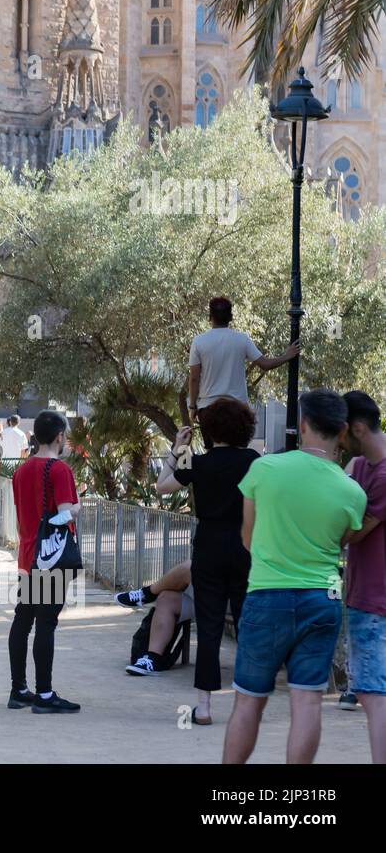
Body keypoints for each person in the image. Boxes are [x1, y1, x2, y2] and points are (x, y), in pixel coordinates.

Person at [223, 390, 367, 764]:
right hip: (322, 599)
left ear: (302, 425)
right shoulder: (352, 492)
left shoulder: (264, 469)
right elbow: (342, 541)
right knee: (307, 702)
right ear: (341, 431)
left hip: (267, 596)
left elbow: (247, 537)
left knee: (248, 702)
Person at [150, 399, 259, 722]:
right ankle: (247, 705)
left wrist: (177, 449)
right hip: (246, 547)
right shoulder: (255, 461)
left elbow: (162, 487)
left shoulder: (198, 462)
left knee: (209, 629)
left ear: (210, 430)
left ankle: (205, 707)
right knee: (247, 628)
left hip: (208, 548)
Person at [6, 409, 82, 713]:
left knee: (23, 620)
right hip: (50, 556)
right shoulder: (60, 470)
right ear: (60, 436)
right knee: (46, 623)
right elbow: (63, 513)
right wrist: (76, 508)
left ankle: (18, 689)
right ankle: (45, 694)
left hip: (27, 552)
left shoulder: (22, 470)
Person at [341, 390, 386, 762]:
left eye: (340, 431)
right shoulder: (358, 466)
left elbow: (352, 533)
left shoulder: (383, 473)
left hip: (375, 602)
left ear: (356, 428)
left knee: (373, 696)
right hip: (363, 597)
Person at [188, 296, 299, 427]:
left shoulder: (199, 342)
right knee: (236, 447)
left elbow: (194, 378)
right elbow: (265, 364)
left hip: (207, 408)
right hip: (236, 408)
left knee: (212, 448)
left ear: (210, 317)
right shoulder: (242, 340)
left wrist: (192, 406)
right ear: (231, 317)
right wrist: (286, 356)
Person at [121, 561, 194, 676]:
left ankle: (147, 593)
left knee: (190, 567)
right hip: (206, 595)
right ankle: (153, 658)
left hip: (228, 599)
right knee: (166, 598)